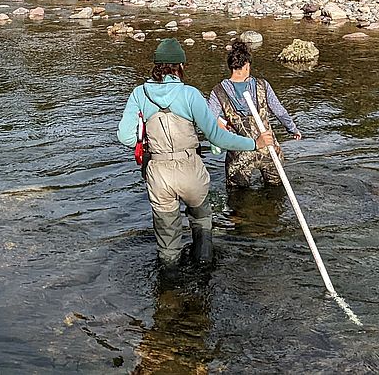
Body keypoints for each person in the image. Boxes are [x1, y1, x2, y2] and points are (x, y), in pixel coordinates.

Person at [118, 38, 277, 268]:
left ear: (156, 66)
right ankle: (203, 273)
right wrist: (254, 143)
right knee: (202, 219)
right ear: (180, 66)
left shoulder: (139, 94)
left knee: (167, 244)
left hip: (159, 173)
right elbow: (216, 137)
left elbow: (124, 136)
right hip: (190, 169)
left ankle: (169, 291)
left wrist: (148, 144)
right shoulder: (191, 95)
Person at [208, 38, 302, 188]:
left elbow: (209, 120)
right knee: (275, 192)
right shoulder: (262, 85)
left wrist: (220, 123)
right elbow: (279, 111)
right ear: (247, 65)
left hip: (240, 152)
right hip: (269, 149)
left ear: (231, 67)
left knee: (237, 196)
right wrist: (292, 129)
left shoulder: (218, 91)